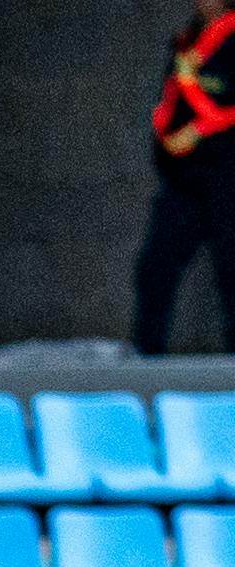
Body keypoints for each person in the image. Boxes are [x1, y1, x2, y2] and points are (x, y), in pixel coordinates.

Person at [138, 7, 235, 357]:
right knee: (155, 265)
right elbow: (172, 98)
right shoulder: (188, 38)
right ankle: (146, 355)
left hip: (227, 175)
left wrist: (199, 130)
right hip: (183, 177)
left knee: (232, 269)